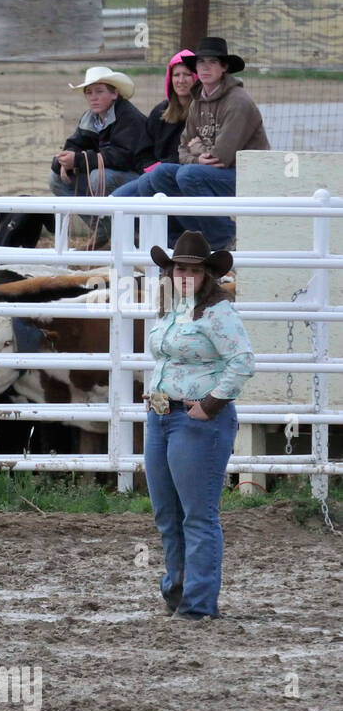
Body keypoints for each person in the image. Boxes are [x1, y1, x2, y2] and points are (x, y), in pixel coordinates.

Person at [144, 231, 254, 620]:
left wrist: (210, 404)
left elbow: (242, 361)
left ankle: (197, 603)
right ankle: (179, 591)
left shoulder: (218, 312)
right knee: (168, 513)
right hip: (160, 416)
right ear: (171, 271)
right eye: (179, 268)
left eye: (193, 269)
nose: (185, 275)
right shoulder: (174, 309)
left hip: (195, 421)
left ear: (207, 274)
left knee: (197, 514)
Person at [147, 38, 270, 250]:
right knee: (161, 174)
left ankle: (225, 238)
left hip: (246, 177)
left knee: (188, 175)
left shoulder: (238, 101)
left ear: (224, 67)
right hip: (214, 174)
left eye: (212, 62)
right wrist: (196, 155)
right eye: (201, 62)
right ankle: (200, 238)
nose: (205, 67)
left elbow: (220, 158)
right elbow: (182, 149)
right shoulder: (199, 100)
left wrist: (197, 150)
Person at [49, 66, 152, 245]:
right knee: (55, 179)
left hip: (139, 179)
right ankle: (105, 229)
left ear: (114, 94)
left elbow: (122, 157)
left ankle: (128, 234)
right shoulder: (90, 118)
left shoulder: (129, 118)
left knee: (99, 177)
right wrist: (62, 163)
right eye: (89, 93)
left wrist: (78, 160)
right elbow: (74, 145)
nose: (93, 97)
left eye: (99, 91)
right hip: (116, 176)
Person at [110, 49, 197, 244]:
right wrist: (150, 167)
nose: (181, 80)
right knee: (116, 201)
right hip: (152, 176)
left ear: (196, 78)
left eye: (187, 75)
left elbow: (192, 152)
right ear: (169, 79)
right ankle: (138, 250)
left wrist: (161, 167)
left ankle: (173, 244)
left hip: (181, 177)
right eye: (176, 75)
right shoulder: (160, 111)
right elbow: (142, 152)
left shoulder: (202, 112)